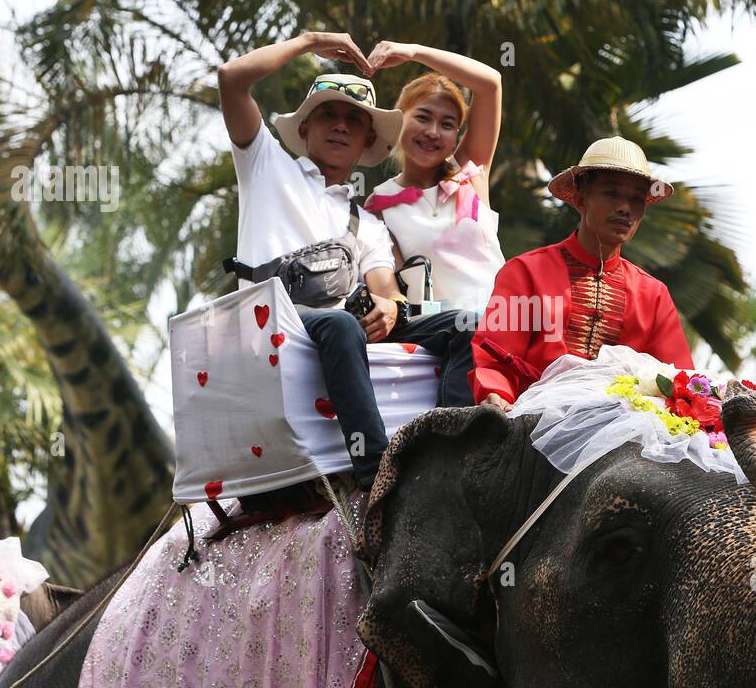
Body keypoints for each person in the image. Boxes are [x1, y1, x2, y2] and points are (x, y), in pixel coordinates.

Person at [217, 31, 477, 496]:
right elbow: (231, 80)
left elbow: (386, 289)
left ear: (366, 140)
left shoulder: (366, 222)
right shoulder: (265, 165)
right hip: (270, 321)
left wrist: (394, 308)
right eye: (329, 115)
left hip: (337, 324)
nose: (340, 126)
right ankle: (378, 476)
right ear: (305, 129)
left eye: (353, 121)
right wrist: (310, 41)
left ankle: (449, 451)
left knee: (465, 322)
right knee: (341, 326)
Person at [470, 137, 694, 412]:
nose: (625, 208)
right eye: (611, 193)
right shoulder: (525, 272)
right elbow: (494, 359)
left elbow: (681, 382)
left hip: (627, 432)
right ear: (580, 198)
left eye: (636, 200)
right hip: (531, 421)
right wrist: (495, 393)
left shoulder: (654, 294)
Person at [362, 44, 504, 314]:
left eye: (447, 124)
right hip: (437, 342)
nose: (433, 132)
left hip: (503, 330)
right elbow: (396, 291)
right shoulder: (379, 203)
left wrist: (415, 52)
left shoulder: (471, 171)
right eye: (422, 118)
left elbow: (490, 83)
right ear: (399, 121)